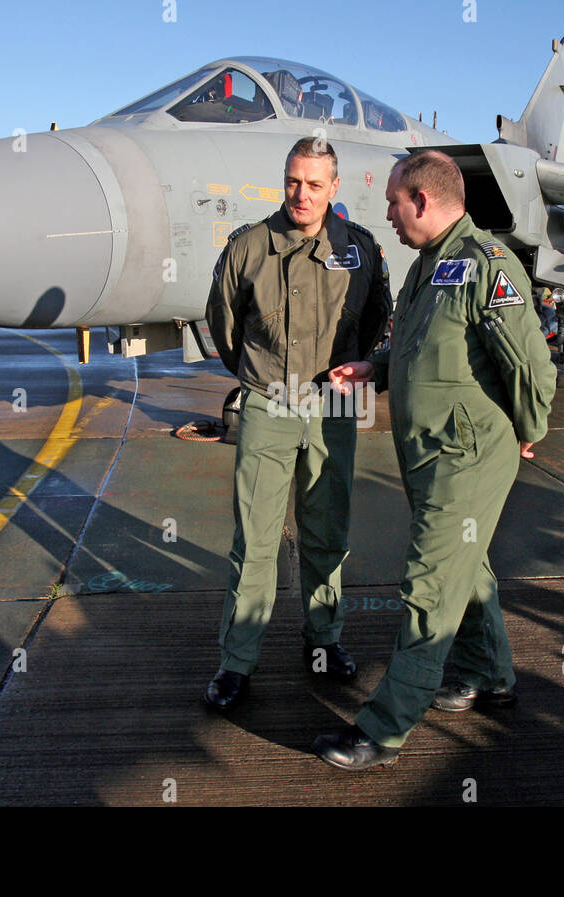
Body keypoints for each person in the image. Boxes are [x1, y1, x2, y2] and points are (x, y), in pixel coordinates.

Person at [314, 150, 557, 769]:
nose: (389, 215)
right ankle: (491, 675)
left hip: (466, 454)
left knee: (428, 584)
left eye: (394, 202)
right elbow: (425, 348)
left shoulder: (487, 265)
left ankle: (384, 728)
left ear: (421, 200)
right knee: (465, 570)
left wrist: (531, 428)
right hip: (427, 451)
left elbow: (529, 365)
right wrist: (378, 368)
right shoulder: (427, 265)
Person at [203, 136, 392, 711]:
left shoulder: (360, 248)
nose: (301, 195)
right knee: (255, 542)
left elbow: (382, 324)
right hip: (268, 401)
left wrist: (361, 375)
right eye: (292, 181)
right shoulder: (248, 248)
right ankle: (237, 662)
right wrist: (261, 382)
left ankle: (324, 641)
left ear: (334, 188)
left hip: (334, 405)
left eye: (314, 184)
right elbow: (225, 328)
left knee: (327, 533)